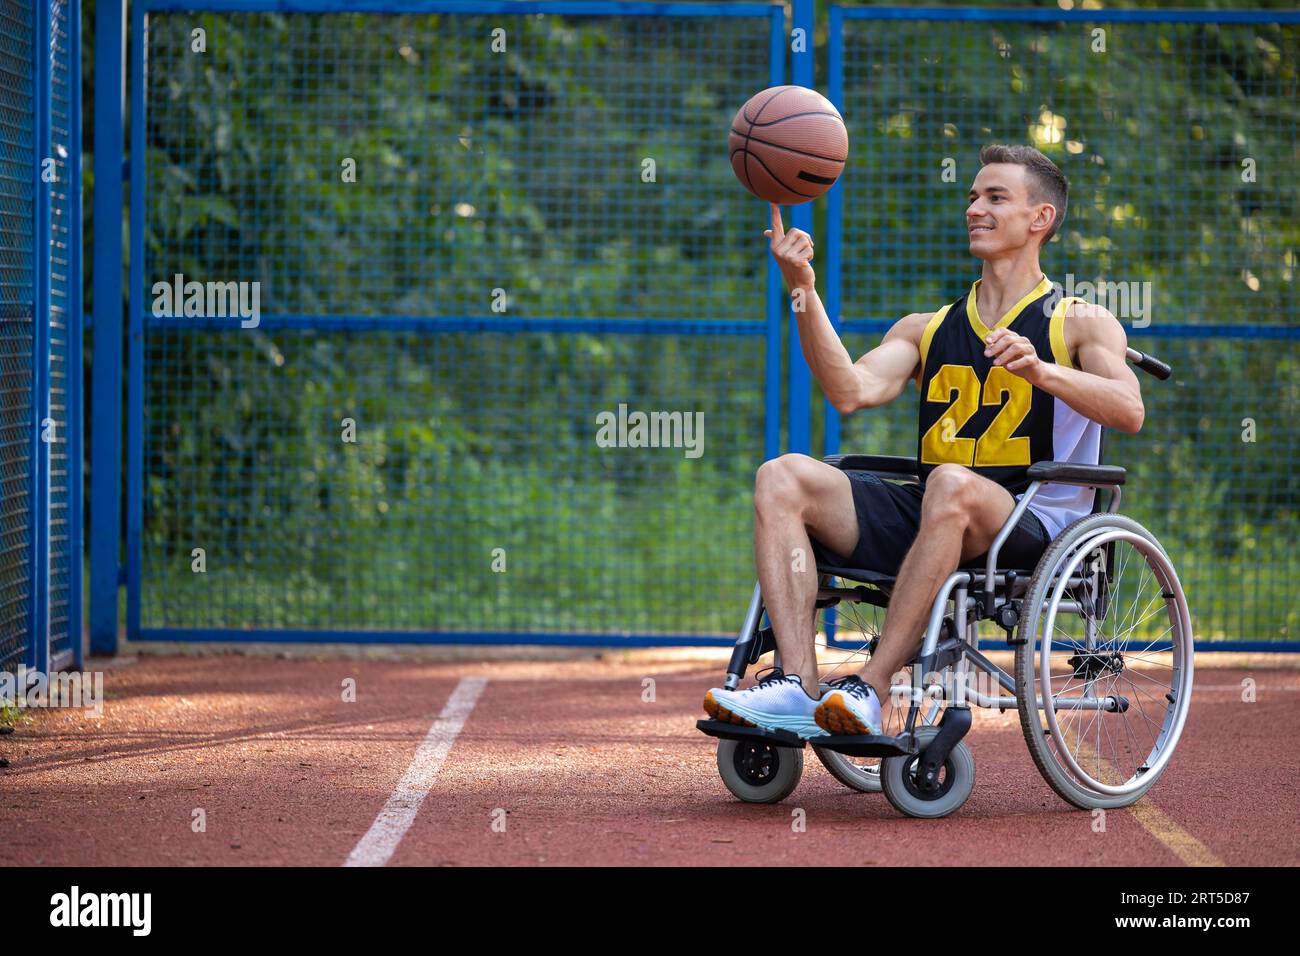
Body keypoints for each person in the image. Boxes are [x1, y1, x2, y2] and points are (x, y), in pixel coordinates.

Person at [703, 144, 1144, 739]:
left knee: (951, 483)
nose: (975, 208)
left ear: (1040, 219)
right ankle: (799, 687)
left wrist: (1043, 371)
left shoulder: (1080, 321)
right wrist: (802, 287)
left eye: (995, 197)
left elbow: (1130, 409)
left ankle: (872, 688)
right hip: (935, 507)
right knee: (782, 474)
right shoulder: (929, 327)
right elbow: (849, 390)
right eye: (972, 197)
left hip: (1029, 523)